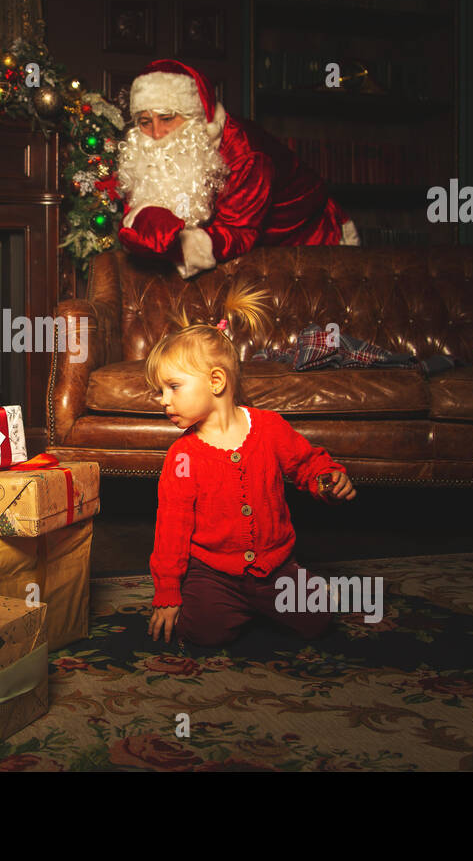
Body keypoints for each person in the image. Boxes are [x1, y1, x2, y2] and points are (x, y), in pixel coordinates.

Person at [143, 278, 358, 648]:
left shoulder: (269, 428)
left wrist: (327, 479)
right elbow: (171, 530)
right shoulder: (183, 456)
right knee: (201, 633)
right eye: (160, 391)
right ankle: (232, 607)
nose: (163, 400)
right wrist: (167, 593)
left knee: (318, 621)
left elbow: (306, 464)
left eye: (173, 388)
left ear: (216, 381)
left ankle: (271, 601)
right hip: (213, 572)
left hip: (275, 566)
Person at [116, 58, 361, 279]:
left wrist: (182, 245)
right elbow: (141, 212)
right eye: (145, 122)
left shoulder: (246, 153)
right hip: (243, 259)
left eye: (167, 118)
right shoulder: (146, 146)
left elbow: (240, 231)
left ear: (194, 115)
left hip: (309, 245)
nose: (157, 134)